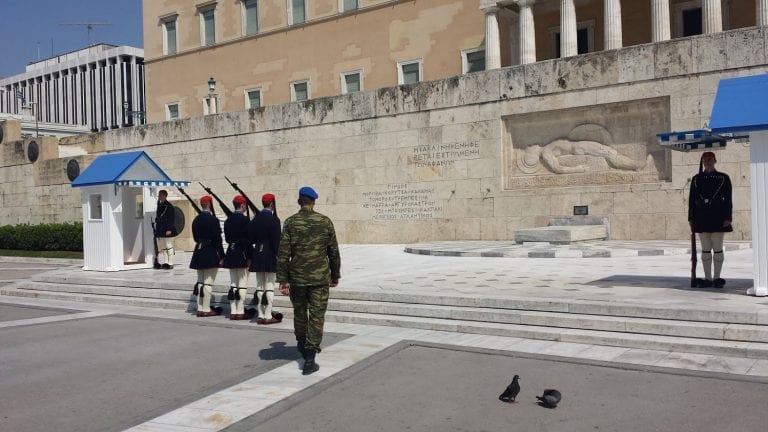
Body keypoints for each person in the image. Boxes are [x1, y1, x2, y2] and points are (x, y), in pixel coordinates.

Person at [277, 186, 341, 375]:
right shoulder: (324, 221)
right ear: (314, 202)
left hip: (297, 278)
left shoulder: (290, 223)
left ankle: (301, 343)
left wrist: (283, 279)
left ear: (299, 202)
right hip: (319, 278)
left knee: (299, 312)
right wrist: (335, 274)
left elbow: (283, 254)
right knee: (316, 316)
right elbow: (334, 252)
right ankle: (310, 357)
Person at [688, 151, 733, 288]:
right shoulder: (696, 179)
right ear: (702, 161)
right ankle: (708, 278)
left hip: (718, 216)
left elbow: (728, 200)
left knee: (718, 248)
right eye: (705, 159)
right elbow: (692, 201)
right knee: (706, 249)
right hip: (702, 217)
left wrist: (728, 217)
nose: (707, 161)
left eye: (710, 158)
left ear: (715, 160)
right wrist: (691, 219)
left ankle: (717, 278)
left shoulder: (723, 178)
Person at [248, 193, 283, 324]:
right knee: (269, 286)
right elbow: (276, 241)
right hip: (269, 253)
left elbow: (250, 238)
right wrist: (279, 256)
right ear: (272, 204)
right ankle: (267, 315)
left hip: (258, 251)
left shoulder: (256, 219)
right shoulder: (274, 220)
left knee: (260, 286)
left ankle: (260, 314)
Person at [522, 139, 649, 174]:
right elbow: (558, 169)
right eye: (531, 146)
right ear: (533, 153)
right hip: (580, 148)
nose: (533, 144)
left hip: (580, 146)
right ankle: (637, 165)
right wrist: (578, 169)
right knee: (609, 153)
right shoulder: (546, 153)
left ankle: (635, 165)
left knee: (608, 152)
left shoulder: (547, 149)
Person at [189, 195, 225, 317]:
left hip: (198, 251)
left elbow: (194, 238)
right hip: (209, 251)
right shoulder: (213, 220)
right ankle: (206, 309)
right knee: (208, 283)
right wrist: (221, 255)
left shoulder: (196, 220)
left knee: (200, 282)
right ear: (210, 204)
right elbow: (217, 239)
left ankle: (200, 307)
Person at [223, 195, 253, 320]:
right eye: (245, 205)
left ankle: (233, 310)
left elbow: (227, 239)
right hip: (242, 253)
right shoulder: (246, 221)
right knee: (242, 284)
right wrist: (250, 257)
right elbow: (249, 240)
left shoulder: (228, 220)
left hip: (231, 251)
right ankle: (240, 311)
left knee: (233, 283)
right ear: (242, 205)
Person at [154, 189, 176, 270]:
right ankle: (165, 262)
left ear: (164, 196)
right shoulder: (160, 205)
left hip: (167, 229)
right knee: (163, 247)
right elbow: (159, 217)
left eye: (160, 195)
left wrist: (169, 229)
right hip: (161, 229)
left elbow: (171, 218)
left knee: (168, 246)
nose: (159, 196)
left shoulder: (169, 206)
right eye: (159, 195)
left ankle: (170, 263)